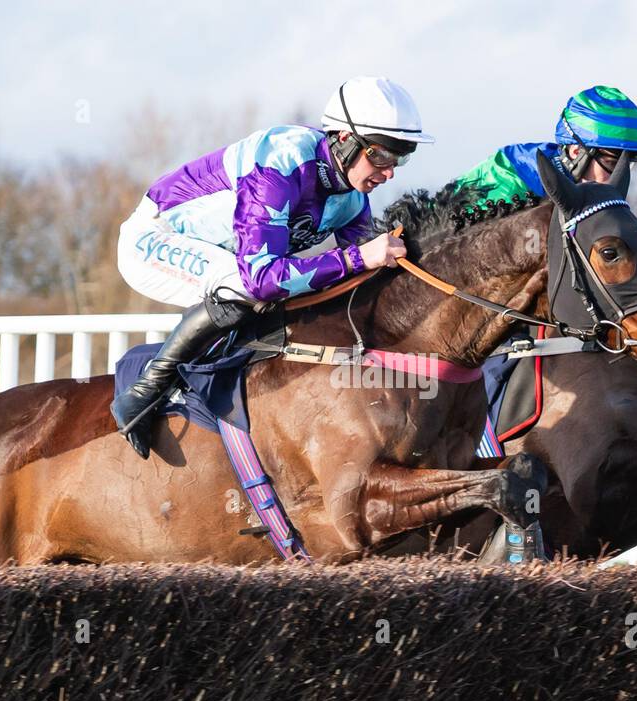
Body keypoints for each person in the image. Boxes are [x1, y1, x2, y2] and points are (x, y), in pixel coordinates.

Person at [111, 76, 433, 458]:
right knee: (245, 288)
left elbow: (362, 282)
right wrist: (359, 256)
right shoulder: (281, 161)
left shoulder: (351, 196)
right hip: (153, 240)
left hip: (229, 257)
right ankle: (146, 389)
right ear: (344, 140)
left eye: (401, 157)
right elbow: (262, 279)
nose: (390, 171)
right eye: (381, 156)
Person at [453, 85, 637, 205]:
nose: (620, 177)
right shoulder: (507, 187)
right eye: (613, 164)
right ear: (577, 152)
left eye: (629, 165)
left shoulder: (576, 183)